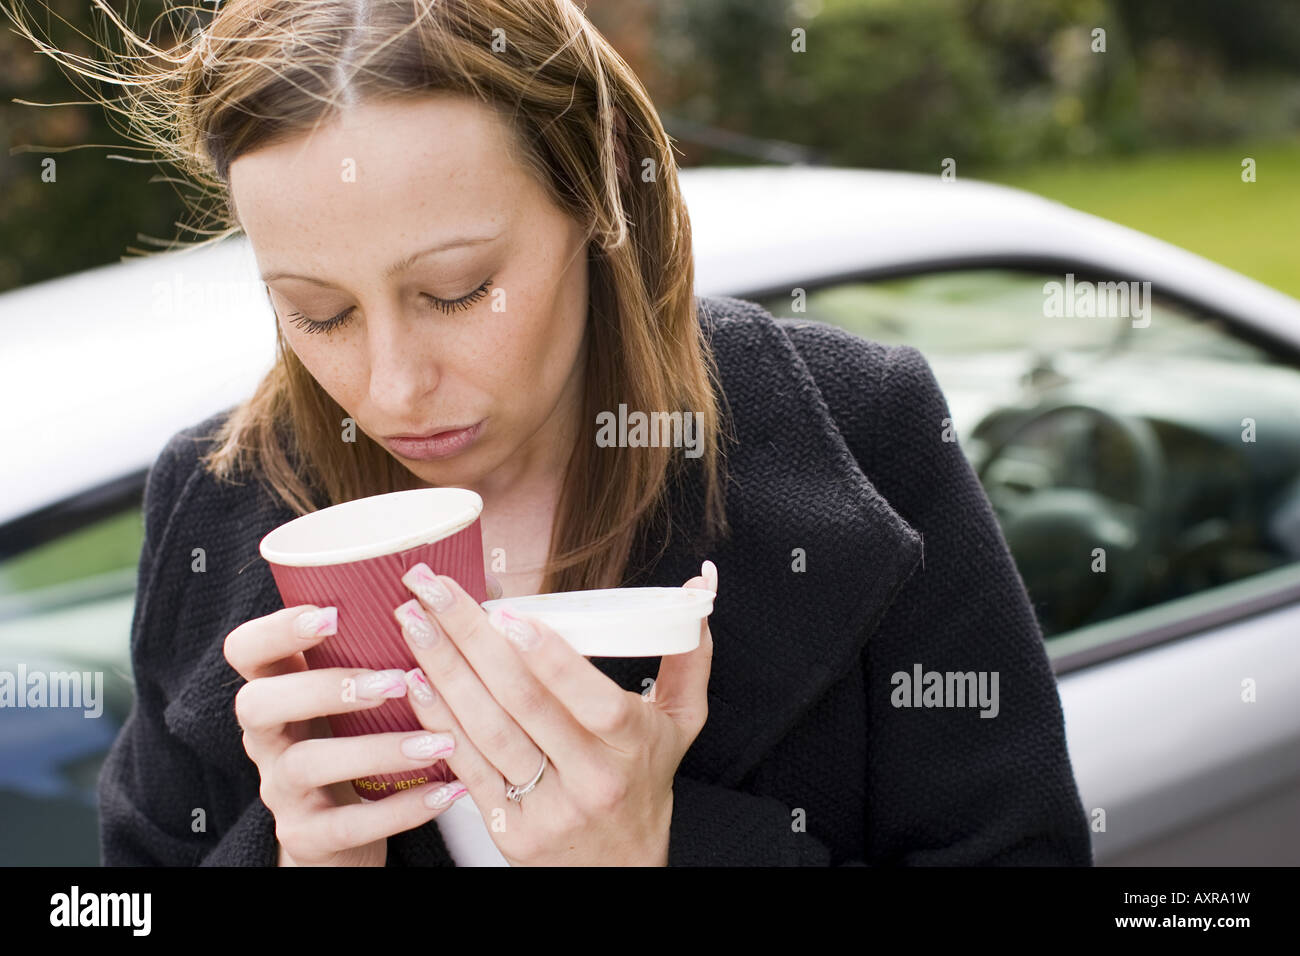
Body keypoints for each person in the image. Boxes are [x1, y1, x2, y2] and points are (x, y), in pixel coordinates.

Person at [15, 0, 1092, 865]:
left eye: (456, 287)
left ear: (593, 197)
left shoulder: (863, 431)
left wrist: (658, 849)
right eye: (317, 310)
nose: (390, 387)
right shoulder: (212, 499)